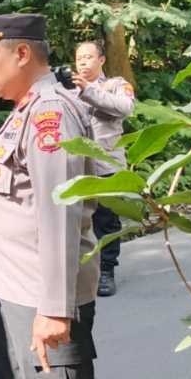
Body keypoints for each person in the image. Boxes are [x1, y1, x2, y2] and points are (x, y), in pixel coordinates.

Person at [0, 13, 99, 379]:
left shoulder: (49, 114)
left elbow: (60, 215)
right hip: (18, 290)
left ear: (22, 53)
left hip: (42, 299)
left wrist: (55, 309)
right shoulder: (25, 110)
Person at [73, 40, 135, 297]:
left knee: (106, 221)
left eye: (89, 57)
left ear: (101, 60)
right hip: (77, 167)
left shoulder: (116, 85)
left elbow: (125, 108)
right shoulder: (68, 88)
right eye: (79, 58)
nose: (83, 62)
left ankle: (107, 271)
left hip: (107, 166)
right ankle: (82, 269)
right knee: (77, 221)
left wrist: (89, 90)